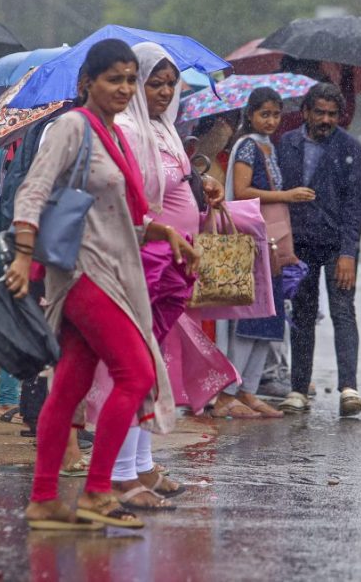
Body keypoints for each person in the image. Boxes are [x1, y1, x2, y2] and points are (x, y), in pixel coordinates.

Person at [7, 39, 199, 531]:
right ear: (86, 83)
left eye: (130, 79)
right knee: (136, 374)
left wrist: (163, 231)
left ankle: (45, 498)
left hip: (114, 269)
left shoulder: (112, 134)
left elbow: (118, 215)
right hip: (83, 273)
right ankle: (97, 490)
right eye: (115, 78)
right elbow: (33, 188)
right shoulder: (73, 126)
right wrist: (24, 253)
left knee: (70, 383)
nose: (125, 88)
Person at [99, 41, 227, 510]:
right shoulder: (130, 130)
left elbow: (175, 185)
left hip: (170, 262)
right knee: (133, 365)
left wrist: (203, 186)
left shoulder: (166, 129)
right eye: (153, 83)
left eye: (170, 84)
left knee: (152, 366)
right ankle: (119, 474)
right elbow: (129, 200)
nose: (163, 91)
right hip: (142, 259)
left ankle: (141, 464)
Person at [222, 87, 315, 418]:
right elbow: (243, 191)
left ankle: (248, 388)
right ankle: (231, 390)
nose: (271, 120)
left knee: (270, 316)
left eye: (276, 114)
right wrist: (286, 196)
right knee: (250, 318)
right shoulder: (247, 146)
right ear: (251, 115)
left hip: (270, 242)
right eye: (265, 114)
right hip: (254, 239)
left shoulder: (267, 146)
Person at [276, 83, 361, 416]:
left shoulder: (350, 148)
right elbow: (280, 195)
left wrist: (348, 253)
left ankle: (349, 388)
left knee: (343, 312)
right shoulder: (287, 144)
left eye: (332, 114)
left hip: (337, 245)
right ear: (306, 113)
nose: (326, 119)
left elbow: (356, 205)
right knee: (302, 315)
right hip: (300, 243)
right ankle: (298, 389)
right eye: (320, 112)